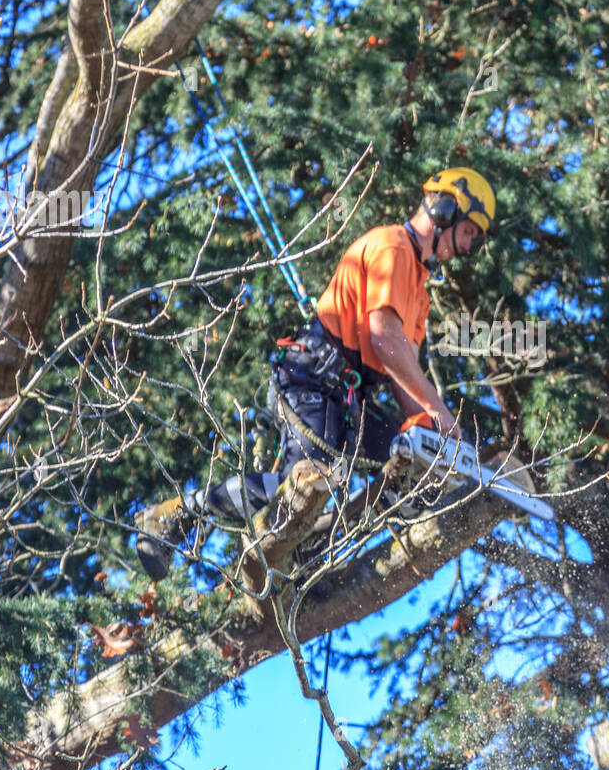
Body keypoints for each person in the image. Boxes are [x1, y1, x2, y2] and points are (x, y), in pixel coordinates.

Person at [134, 167, 497, 581]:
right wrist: (440, 411)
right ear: (446, 209)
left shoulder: (419, 289)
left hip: (345, 399)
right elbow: (384, 339)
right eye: (468, 232)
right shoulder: (392, 247)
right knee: (302, 485)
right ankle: (175, 514)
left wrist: (438, 438)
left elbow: (402, 376)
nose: (468, 246)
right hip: (310, 381)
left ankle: (311, 553)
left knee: (406, 457)